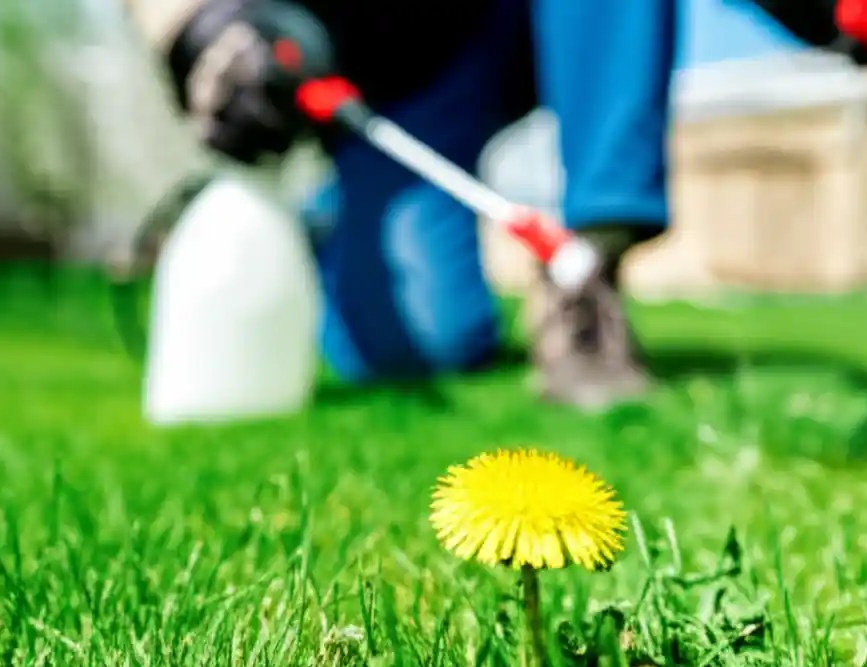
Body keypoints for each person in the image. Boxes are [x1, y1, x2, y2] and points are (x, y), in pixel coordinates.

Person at [121, 0, 676, 410]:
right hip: (400, 73)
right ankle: (332, 224)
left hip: (537, 21)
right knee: (416, 344)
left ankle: (590, 270)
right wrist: (208, 29)